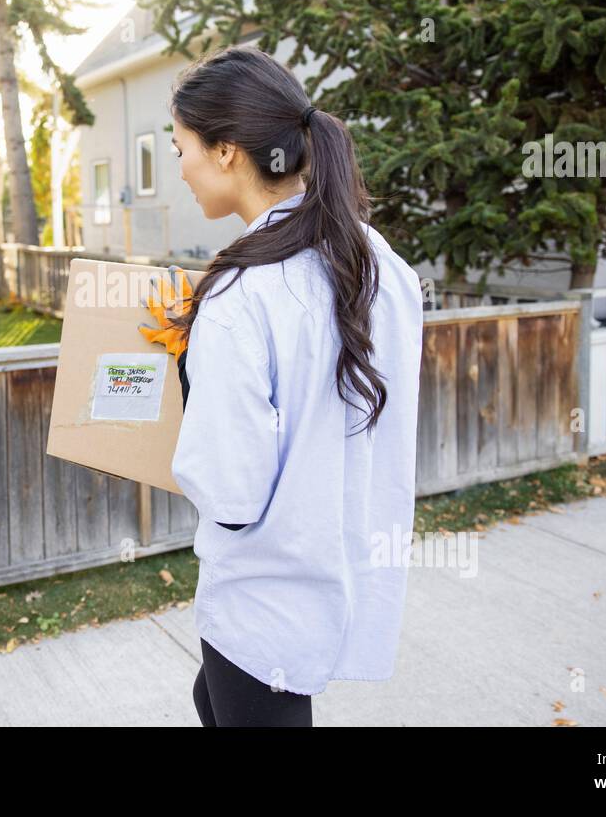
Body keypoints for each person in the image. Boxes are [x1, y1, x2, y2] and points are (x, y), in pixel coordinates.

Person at [138, 46, 424, 727]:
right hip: (339, 565)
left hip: (264, 594)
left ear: (228, 151)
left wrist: (186, 382)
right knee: (210, 698)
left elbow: (232, 489)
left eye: (181, 149)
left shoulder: (241, 293)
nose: (179, 169)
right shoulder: (381, 262)